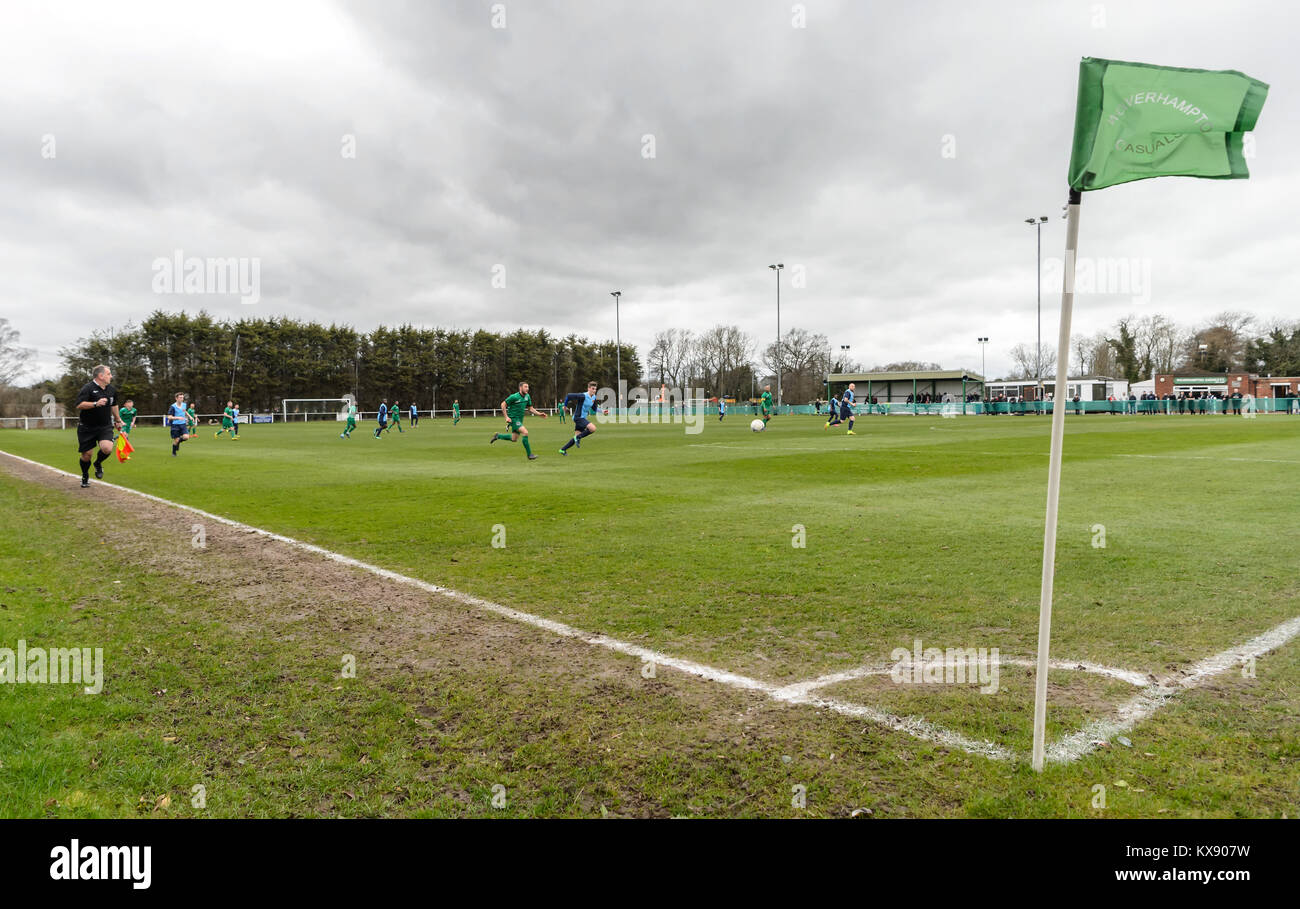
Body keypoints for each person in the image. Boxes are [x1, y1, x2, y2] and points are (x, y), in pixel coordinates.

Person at [74, 365, 122, 488]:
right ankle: (85, 475)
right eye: (109, 374)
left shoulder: (111, 389)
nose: (111, 376)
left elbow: (114, 405)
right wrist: (95, 403)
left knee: (107, 448)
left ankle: (98, 463)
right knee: (86, 455)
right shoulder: (88, 388)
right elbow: (79, 405)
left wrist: (117, 420)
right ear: (101, 376)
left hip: (105, 426)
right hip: (87, 427)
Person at [490, 381, 547, 460]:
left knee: (514, 439)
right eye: (525, 387)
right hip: (513, 419)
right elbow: (503, 404)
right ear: (520, 388)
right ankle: (530, 455)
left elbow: (530, 408)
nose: (527, 388)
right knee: (525, 432)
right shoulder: (514, 397)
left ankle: (498, 436)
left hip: (520, 419)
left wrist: (539, 414)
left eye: (528, 387)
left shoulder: (527, 396)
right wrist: (506, 417)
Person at [559, 381, 601, 456]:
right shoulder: (583, 396)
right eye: (593, 388)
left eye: (595, 389)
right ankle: (578, 438)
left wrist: (602, 411)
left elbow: (594, 408)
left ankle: (563, 449)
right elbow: (569, 396)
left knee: (576, 437)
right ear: (588, 388)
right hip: (578, 418)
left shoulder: (593, 397)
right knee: (593, 428)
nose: (594, 390)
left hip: (583, 418)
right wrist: (565, 406)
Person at [166, 392, 192, 457]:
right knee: (176, 440)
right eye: (180, 397)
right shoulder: (173, 407)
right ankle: (174, 453)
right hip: (175, 425)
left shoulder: (184, 405)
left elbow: (184, 411)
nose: (182, 399)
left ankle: (178, 442)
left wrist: (189, 416)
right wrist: (177, 418)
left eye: (182, 397)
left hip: (183, 424)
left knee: (186, 437)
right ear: (176, 398)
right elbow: (169, 417)